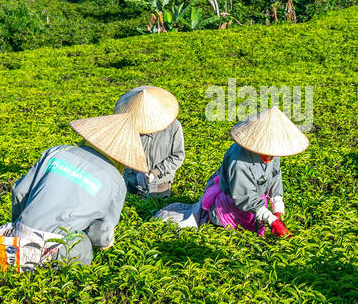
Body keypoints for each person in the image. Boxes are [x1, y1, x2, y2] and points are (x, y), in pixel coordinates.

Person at [6, 112, 150, 266]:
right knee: (82, 246)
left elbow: (19, 191)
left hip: (20, 233)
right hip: (57, 249)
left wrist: (20, 225)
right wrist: (106, 243)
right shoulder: (116, 182)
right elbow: (102, 233)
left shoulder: (56, 152)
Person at [201, 106, 308, 238]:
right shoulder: (239, 162)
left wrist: (277, 208)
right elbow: (244, 197)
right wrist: (271, 220)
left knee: (254, 235)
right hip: (232, 206)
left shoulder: (273, 150)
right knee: (233, 239)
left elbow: (274, 176)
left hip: (255, 205)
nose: (271, 156)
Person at [115, 85, 185, 200]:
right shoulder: (128, 125)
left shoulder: (173, 126)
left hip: (160, 185)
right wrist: (138, 170)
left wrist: (156, 172)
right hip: (133, 182)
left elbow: (178, 156)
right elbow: (122, 153)